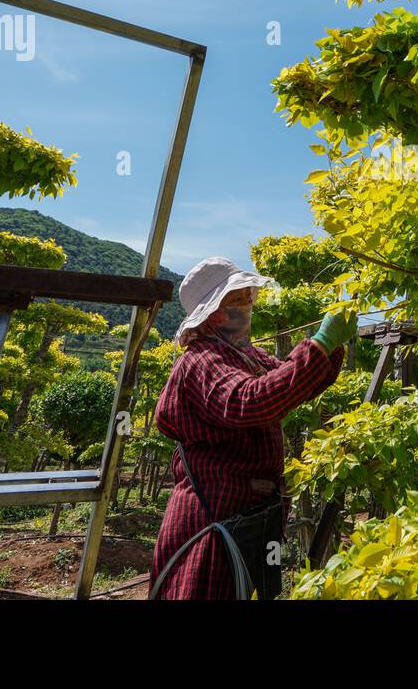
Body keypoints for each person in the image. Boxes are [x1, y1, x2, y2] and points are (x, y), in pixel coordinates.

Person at [149, 256, 357, 599]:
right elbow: (252, 400)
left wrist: (330, 346)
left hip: (249, 515)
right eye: (237, 299)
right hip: (214, 515)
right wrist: (320, 341)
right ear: (211, 312)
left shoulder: (247, 355)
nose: (247, 305)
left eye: (249, 297)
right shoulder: (201, 360)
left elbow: (292, 383)